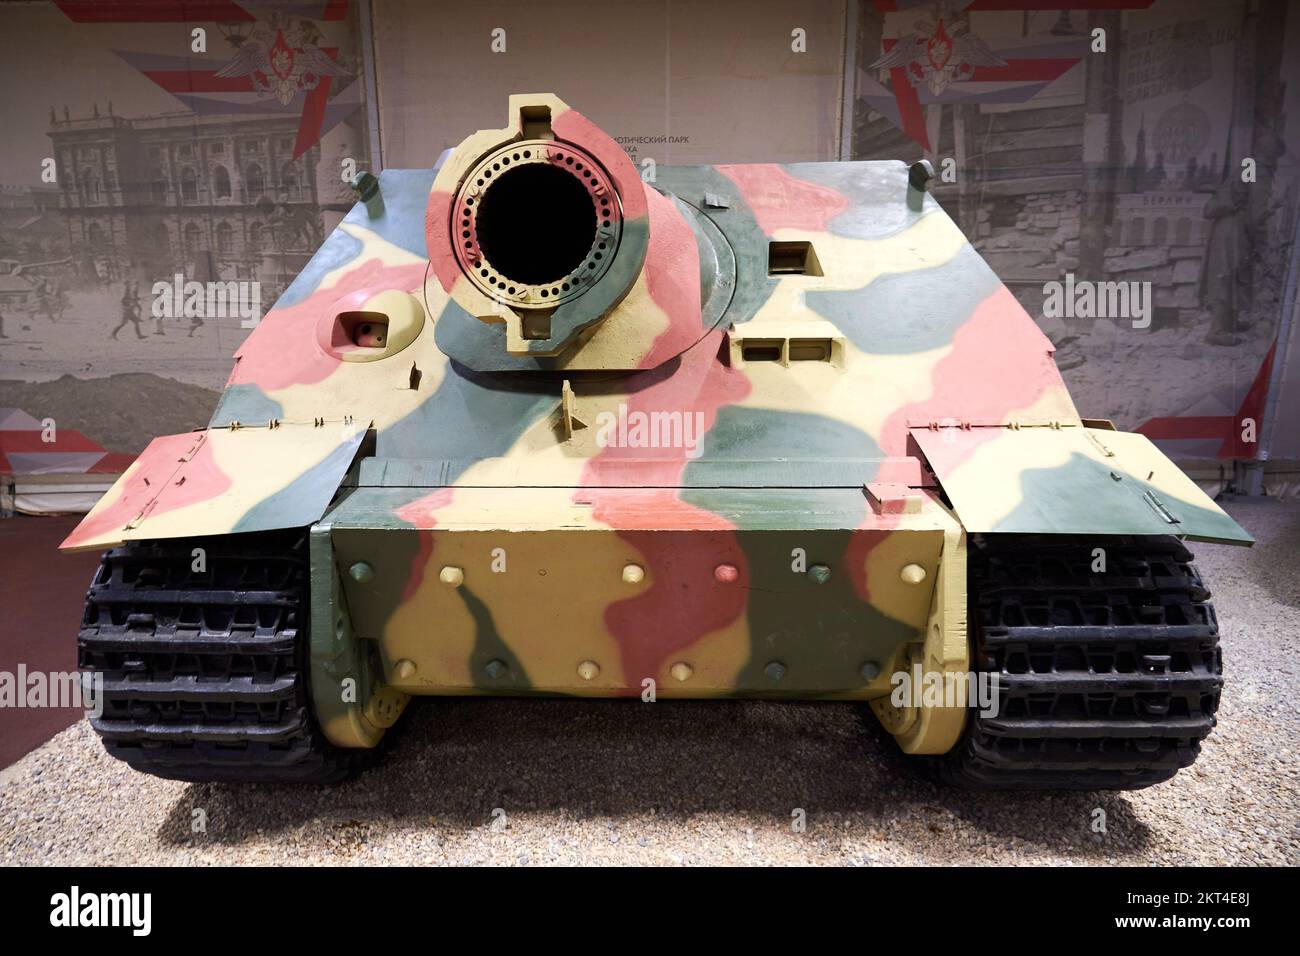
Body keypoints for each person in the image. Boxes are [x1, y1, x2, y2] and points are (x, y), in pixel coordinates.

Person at [1199, 178, 1252, 347]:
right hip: (1230, 231)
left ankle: (1229, 322)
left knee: (1236, 275)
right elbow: (1209, 210)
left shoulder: (1254, 170)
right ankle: (1216, 331)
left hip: (1238, 229)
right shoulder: (1248, 171)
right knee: (1223, 276)